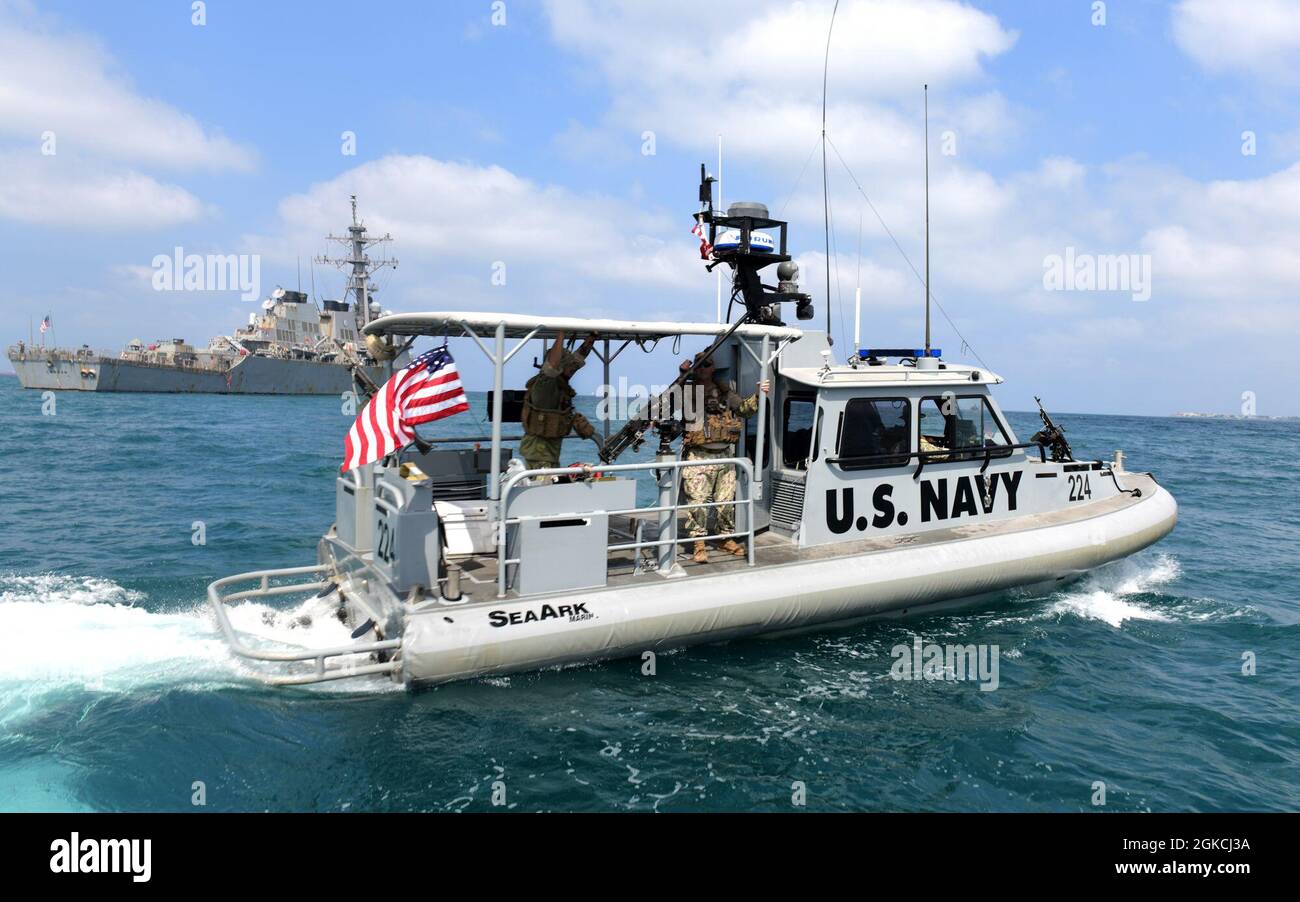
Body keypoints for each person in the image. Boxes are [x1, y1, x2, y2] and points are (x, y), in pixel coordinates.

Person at [679, 352, 769, 563]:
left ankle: (724, 538)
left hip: (724, 457)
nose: (702, 369)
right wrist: (682, 374)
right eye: (699, 365)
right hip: (699, 456)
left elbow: (745, 410)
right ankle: (699, 544)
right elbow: (673, 400)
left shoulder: (725, 391)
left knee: (725, 502)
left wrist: (759, 395)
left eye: (706, 365)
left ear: (713, 368)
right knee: (697, 503)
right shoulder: (688, 390)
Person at [519, 331, 599, 476]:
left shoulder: (560, 385)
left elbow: (579, 357)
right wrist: (561, 333)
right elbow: (551, 366)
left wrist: (592, 337)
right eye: (567, 366)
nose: (572, 369)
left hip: (549, 456)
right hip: (538, 460)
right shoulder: (545, 385)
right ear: (560, 367)